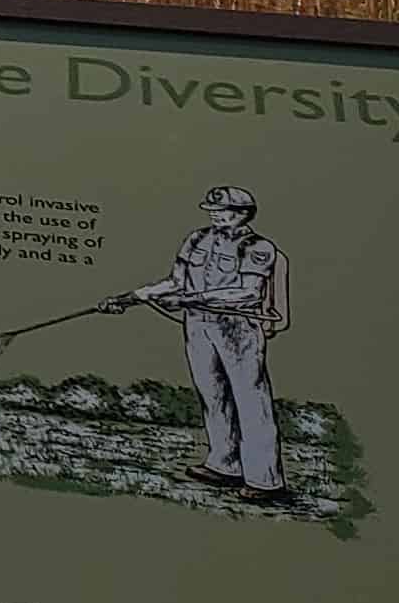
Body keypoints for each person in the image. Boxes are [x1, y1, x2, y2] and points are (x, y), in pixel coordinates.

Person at [101, 185, 291, 500]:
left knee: (250, 399)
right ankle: (224, 465)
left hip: (237, 327)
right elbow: (175, 281)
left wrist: (192, 298)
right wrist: (131, 298)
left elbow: (248, 292)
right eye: (212, 210)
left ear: (243, 214)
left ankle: (265, 480)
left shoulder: (259, 247)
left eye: (222, 210)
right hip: (197, 324)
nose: (214, 214)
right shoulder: (197, 239)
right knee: (212, 395)